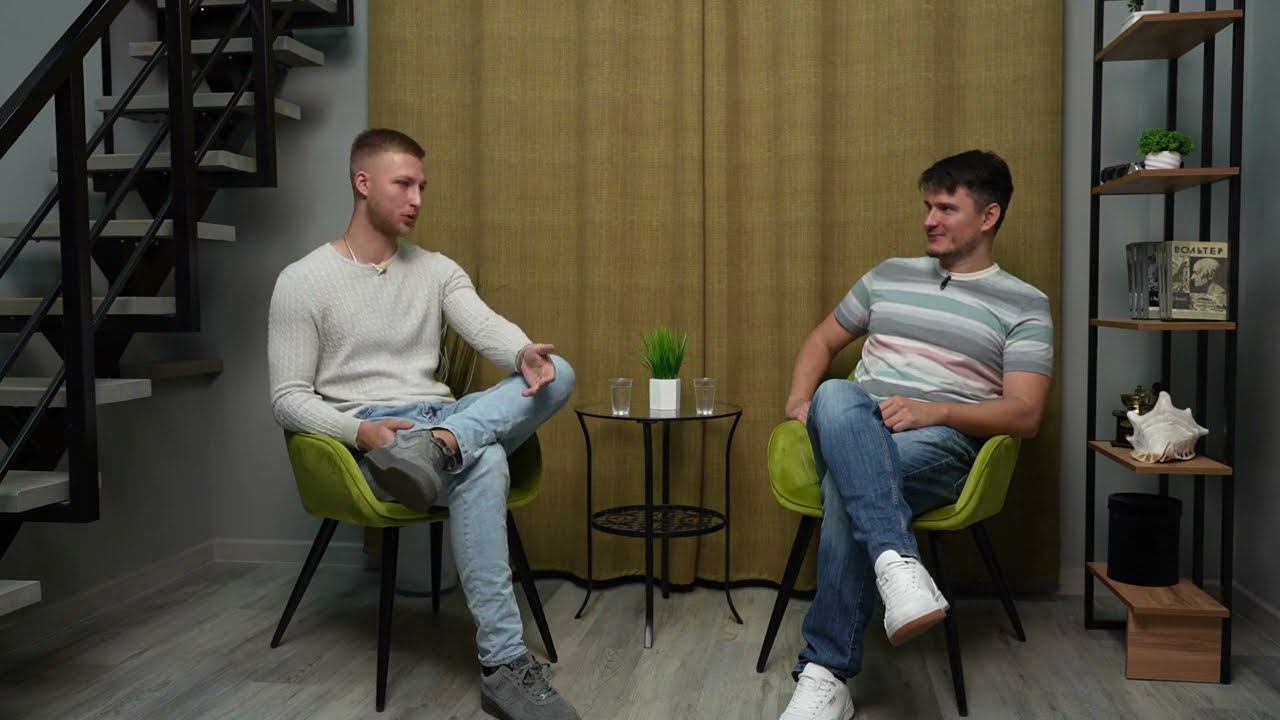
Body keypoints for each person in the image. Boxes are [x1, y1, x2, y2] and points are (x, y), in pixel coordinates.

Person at [268, 128, 581, 720]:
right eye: (403, 184)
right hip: (378, 437)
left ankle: (443, 445)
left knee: (557, 372)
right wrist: (360, 434)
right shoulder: (302, 281)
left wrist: (522, 353)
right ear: (363, 183)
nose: (416, 199)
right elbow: (287, 400)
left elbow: (483, 324)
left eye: (422, 187)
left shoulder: (435, 270)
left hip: (442, 419)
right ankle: (504, 667)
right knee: (486, 459)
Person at [776, 150, 1053, 720]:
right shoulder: (887, 275)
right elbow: (823, 341)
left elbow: (1025, 414)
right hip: (856, 424)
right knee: (835, 394)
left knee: (846, 489)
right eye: (928, 206)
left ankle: (825, 674)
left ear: (989, 216)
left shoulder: (1025, 303)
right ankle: (898, 564)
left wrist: (938, 412)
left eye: (946, 208)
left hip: (940, 443)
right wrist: (800, 399)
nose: (930, 219)